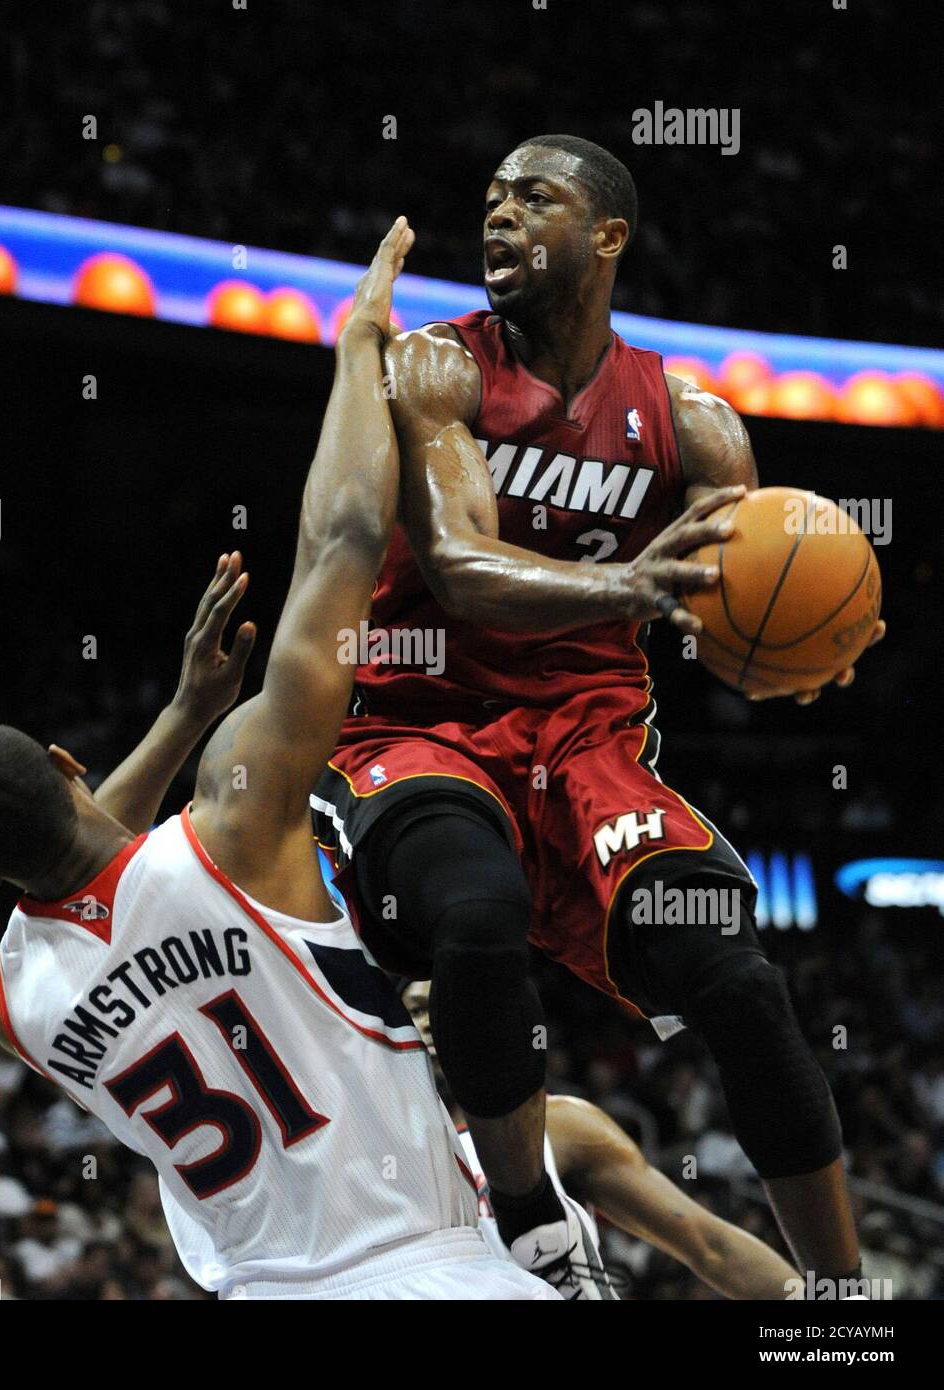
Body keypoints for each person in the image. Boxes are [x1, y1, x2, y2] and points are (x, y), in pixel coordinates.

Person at [0, 220, 557, 1303]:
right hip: (430, 1268)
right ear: (71, 760)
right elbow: (343, 542)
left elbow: (74, 871)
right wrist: (359, 346)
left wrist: (176, 718)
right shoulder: (235, 827)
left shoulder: (9, 1002)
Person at [312, 136, 884, 1295]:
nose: (501, 217)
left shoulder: (697, 426)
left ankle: (840, 1306)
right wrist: (630, 586)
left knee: (742, 985)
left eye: (535, 198)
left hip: (590, 744)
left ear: (609, 236)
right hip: (425, 724)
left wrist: (804, 656)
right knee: (479, 913)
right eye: (491, 201)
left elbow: (734, 613)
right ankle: (531, 1218)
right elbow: (464, 564)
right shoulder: (440, 369)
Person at [402, 980, 799, 1300]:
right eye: (417, 1010)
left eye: (450, 1008)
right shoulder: (376, 1156)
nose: (433, 1022)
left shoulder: (559, 1126)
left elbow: (709, 1245)